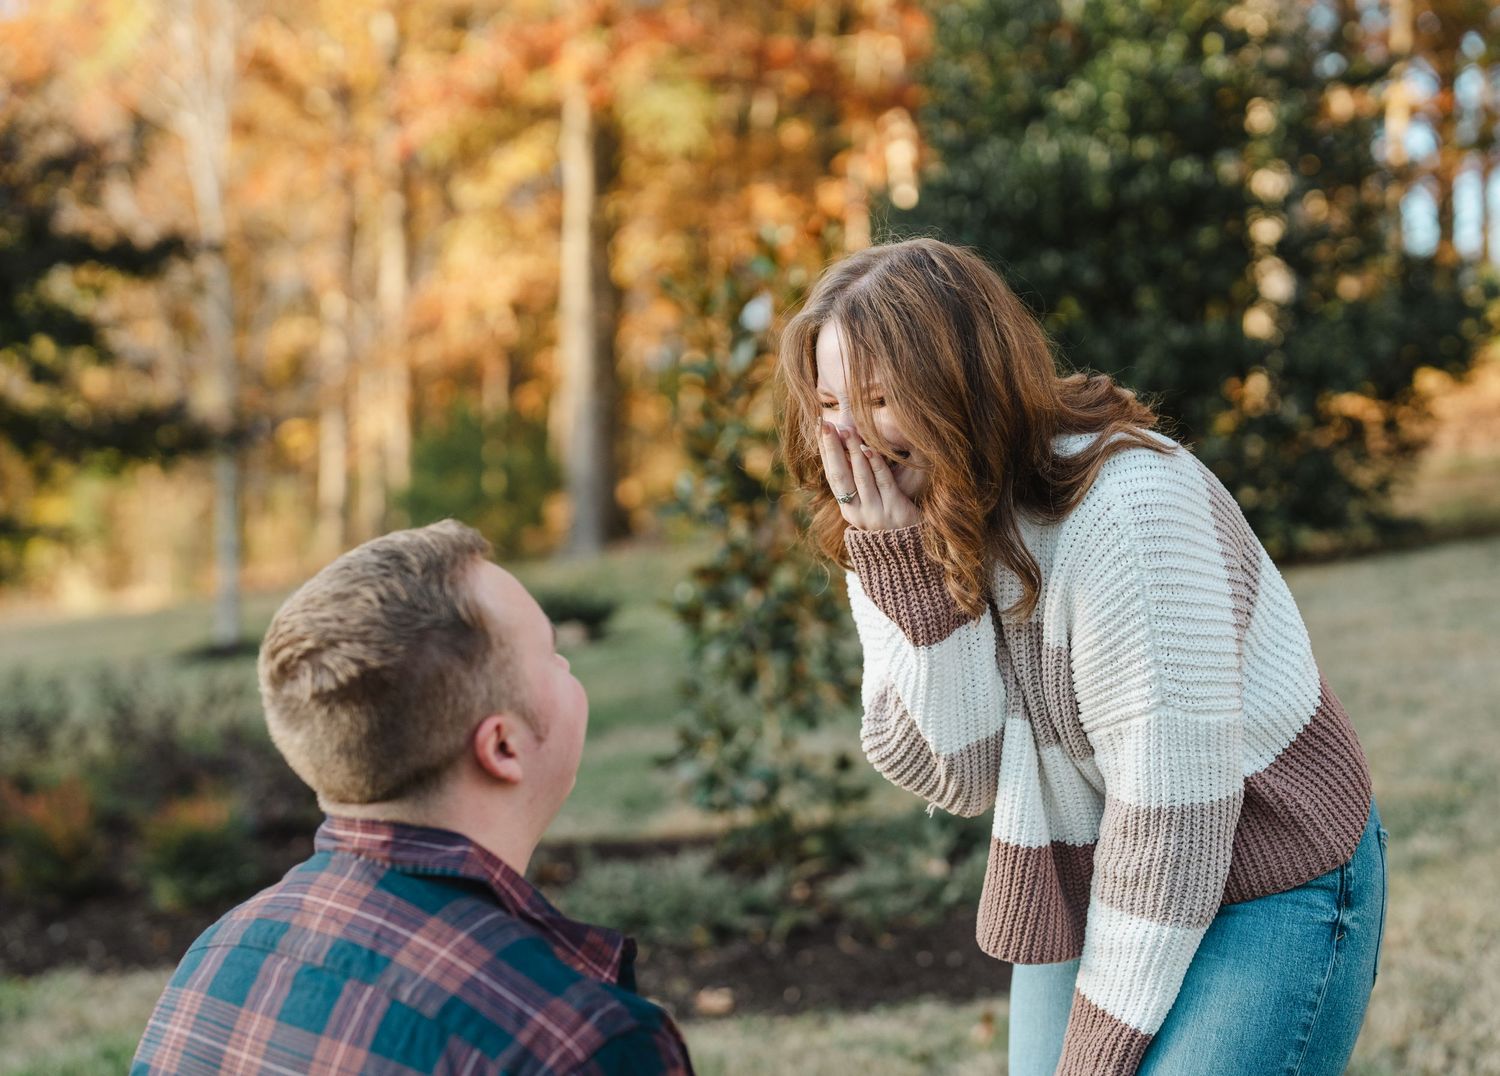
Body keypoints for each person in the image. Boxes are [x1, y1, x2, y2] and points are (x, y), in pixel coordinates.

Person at [776, 237, 1388, 1076]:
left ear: (964, 387)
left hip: (1270, 867)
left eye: (881, 399)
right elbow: (960, 772)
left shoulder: (1129, 514)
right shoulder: (897, 524)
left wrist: (1095, 1062)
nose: (852, 438)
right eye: (830, 402)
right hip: (1101, 856)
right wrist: (908, 581)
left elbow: (1173, 831)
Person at [131, 520, 695, 1075]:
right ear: (502, 746)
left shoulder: (221, 955)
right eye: (550, 654)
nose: (568, 666)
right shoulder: (581, 1044)